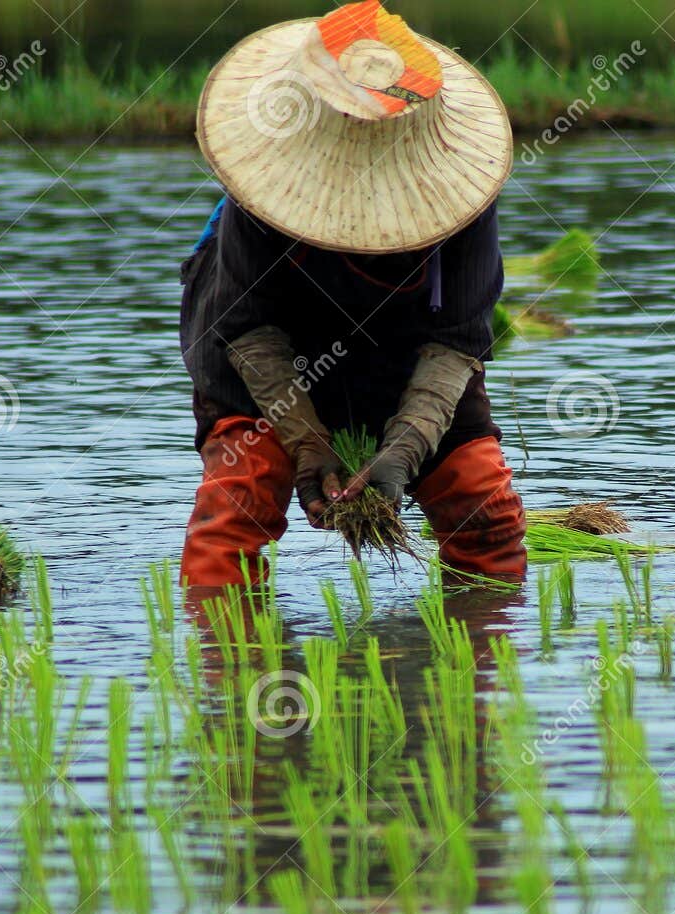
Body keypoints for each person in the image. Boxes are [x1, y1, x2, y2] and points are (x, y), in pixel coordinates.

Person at [178, 0, 527, 592]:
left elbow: (457, 342)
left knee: (480, 506)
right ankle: (233, 670)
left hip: (412, 347)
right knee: (240, 501)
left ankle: (471, 657)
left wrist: (404, 452)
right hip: (263, 350)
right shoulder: (264, 195)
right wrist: (311, 449)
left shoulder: (465, 199)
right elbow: (249, 332)